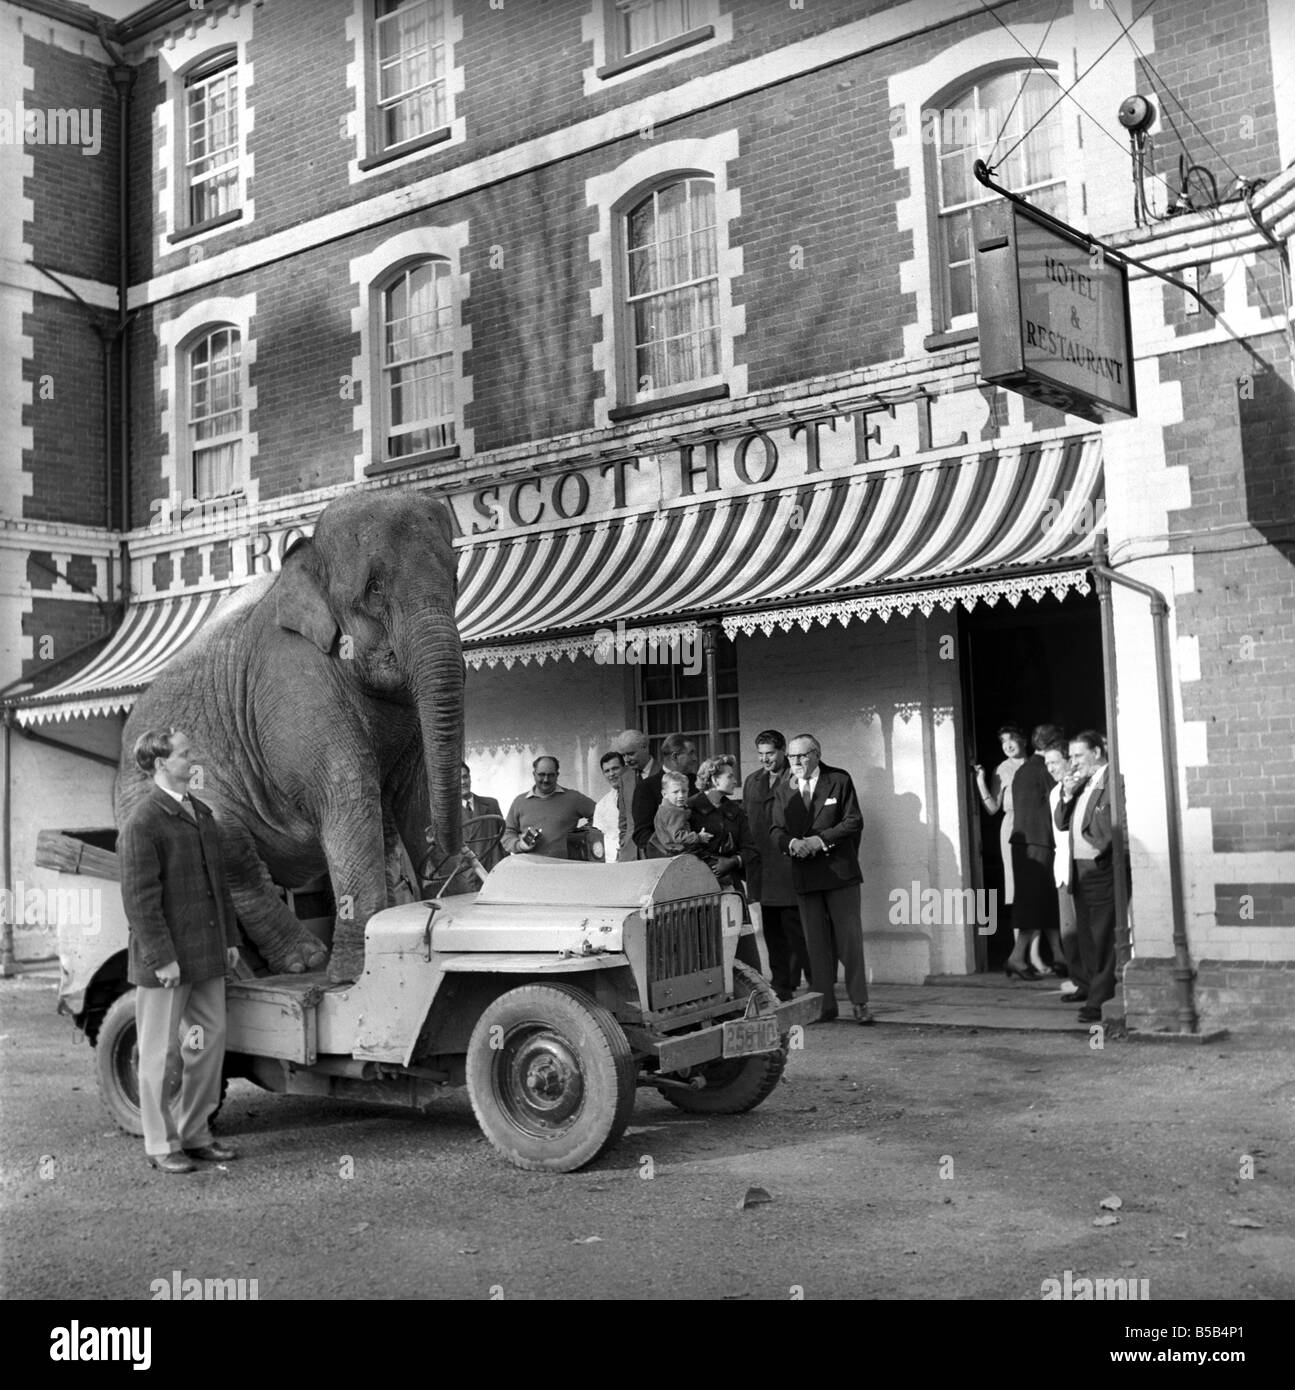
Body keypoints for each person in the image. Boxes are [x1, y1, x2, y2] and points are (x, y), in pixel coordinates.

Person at [117, 729, 241, 1174]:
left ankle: (194, 1132)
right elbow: (139, 900)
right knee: (160, 1055)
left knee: (207, 1044)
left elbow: (218, 887)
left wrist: (229, 939)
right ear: (159, 764)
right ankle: (160, 1144)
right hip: (167, 961)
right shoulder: (143, 821)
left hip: (206, 952)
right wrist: (161, 957)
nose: (192, 760)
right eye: (184, 754)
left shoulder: (200, 813)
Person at [770, 734, 873, 1025]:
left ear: (816, 754)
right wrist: (792, 844)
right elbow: (775, 830)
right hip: (804, 874)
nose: (796, 762)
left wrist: (819, 840)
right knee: (815, 944)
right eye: (791, 757)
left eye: (802, 756)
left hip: (840, 874)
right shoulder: (784, 787)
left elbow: (853, 821)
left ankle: (860, 1002)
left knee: (849, 942)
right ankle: (824, 1005)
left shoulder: (838, 780)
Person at [1054, 730, 1126, 1023]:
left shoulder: (1112, 779)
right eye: (1070, 756)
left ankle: (1099, 1000)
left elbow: (1113, 822)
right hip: (1078, 870)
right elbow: (1061, 822)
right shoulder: (1082, 782)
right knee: (1086, 937)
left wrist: (1100, 850)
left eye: (1078, 755)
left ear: (1096, 753)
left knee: (1102, 934)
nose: (1073, 762)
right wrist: (1068, 793)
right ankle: (1093, 990)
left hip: (1100, 867)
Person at [742, 729, 809, 1001]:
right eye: (760, 754)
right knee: (771, 929)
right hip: (763, 865)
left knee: (794, 928)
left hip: (788, 864)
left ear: (783, 751)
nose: (765, 760)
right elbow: (747, 819)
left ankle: (800, 980)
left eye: (770, 753)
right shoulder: (752, 781)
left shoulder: (795, 779)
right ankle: (781, 983)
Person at [1003, 724, 1063, 980]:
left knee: (1045, 901)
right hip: (1039, 844)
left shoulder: (1024, 770)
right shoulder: (1045, 770)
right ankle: (1016, 958)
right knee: (1036, 903)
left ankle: (1060, 956)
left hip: (1024, 844)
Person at [972, 724, 1027, 965]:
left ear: (1023, 740)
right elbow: (993, 807)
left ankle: (1035, 954)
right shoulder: (1002, 769)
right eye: (1003, 742)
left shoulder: (1038, 764)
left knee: (1038, 889)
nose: (1008, 745)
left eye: (1012, 739)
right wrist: (981, 781)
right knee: (1016, 889)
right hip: (1012, 828)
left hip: (1036, 826)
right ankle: (1020, 953)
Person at [1044, 740, 1087, 1003]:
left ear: (1068, 761)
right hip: (1062, 869)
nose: (1050, 768)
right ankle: (1080, 982)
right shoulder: (1054, 793)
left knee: (1086, 932)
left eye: (1055, 762)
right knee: (1068, 933)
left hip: (1082, 868)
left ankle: (1093, 983)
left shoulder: (1082, 788)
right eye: (1047, 763)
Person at [501, 755, 596, 859]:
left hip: (565, 867)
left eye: (550, 775)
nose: (546, 780)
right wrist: (519, 845)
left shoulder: (573, 798)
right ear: (534, 774)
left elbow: (601, 815)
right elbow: (507, 833)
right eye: (541, 775)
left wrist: (581, 834)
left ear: (557, 775)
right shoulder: (520, 802)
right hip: (529, 869)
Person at [629, 733, 699, 858]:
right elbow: (642, 834)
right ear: (675, 756)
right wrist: (671, 852)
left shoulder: (698, 783)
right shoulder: (647, 787)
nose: (695, 758)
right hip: (668, 862)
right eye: (691, 753)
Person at [443, 763, 504, 893]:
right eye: (457, 779)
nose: (463, 782)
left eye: (465, 777)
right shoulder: (446, 813)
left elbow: (502, 840)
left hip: (494, 874)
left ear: (470, 778)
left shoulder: (491, 804)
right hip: (466, 877)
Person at [650, 770, 710, 856]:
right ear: (664, 794)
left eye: (684, 791)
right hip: (677, 851)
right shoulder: (673, 812)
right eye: (675, 792)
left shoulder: (664, 808)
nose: (681, 795)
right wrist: (698, 837)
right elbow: (678, 837)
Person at [591, 750, 625, 861]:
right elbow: (598, 840)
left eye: (615, 768)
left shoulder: (638, 795)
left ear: (624, 768)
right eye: (607, 771)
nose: (611, 774)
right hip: (613, 861)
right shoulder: (601, 805)